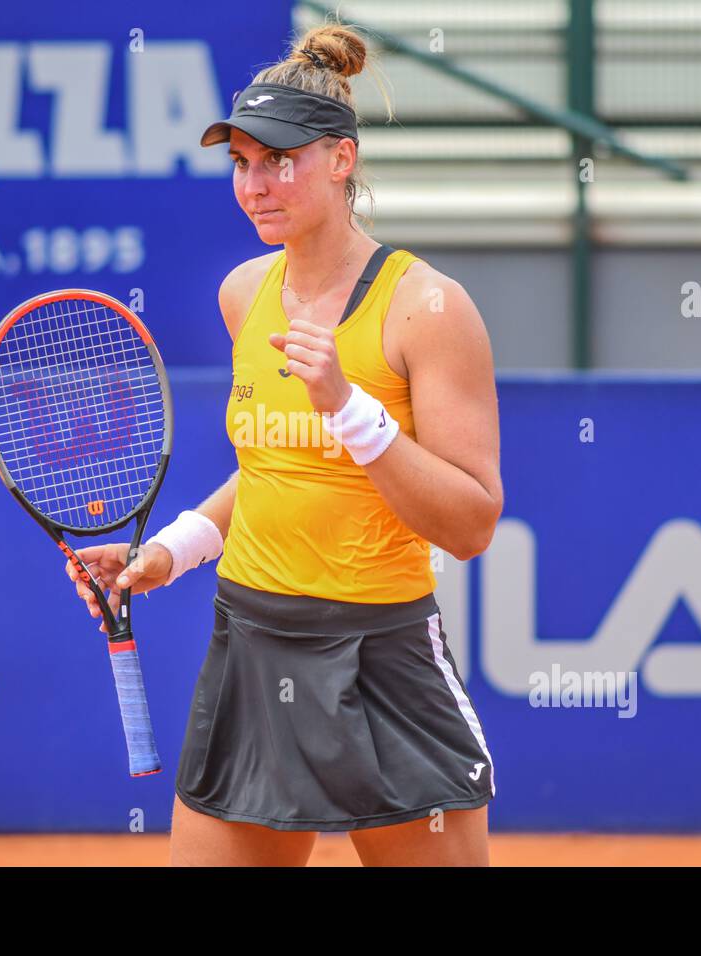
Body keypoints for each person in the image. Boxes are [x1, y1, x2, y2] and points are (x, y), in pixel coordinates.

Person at [69, 23, 503, 866]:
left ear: (341, 161)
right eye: (240, 162)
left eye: (279, 160)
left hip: (382, 655)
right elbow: (270, 472)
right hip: (252, 641)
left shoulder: (428, 309)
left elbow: (471, 525)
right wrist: (166, 552)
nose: (255, 184)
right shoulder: (244, 293)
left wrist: (348, 404)